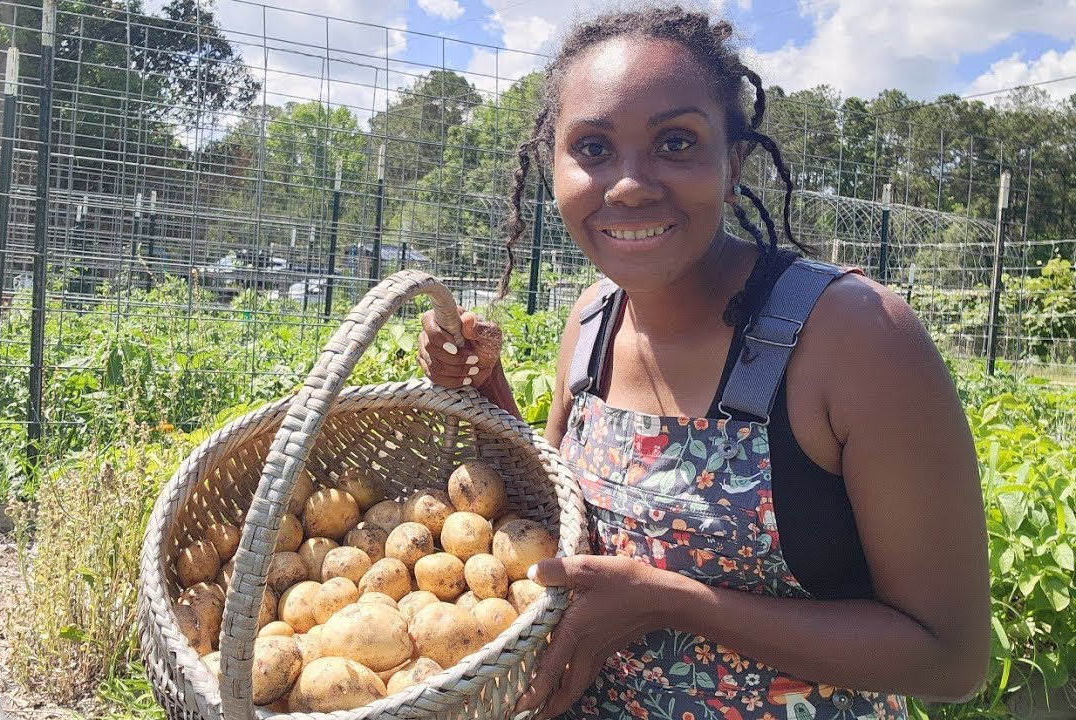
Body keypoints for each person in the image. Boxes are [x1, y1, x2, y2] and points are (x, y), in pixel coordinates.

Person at [417, 6, 990, 719]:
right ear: (553, 167)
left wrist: (671, 606)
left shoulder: (854, 337)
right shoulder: (594, 320)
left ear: (732, 162)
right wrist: (482, 383)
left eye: (676, 142)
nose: (628, 184)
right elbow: (558, 511)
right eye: (592, 148)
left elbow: (949, 655)